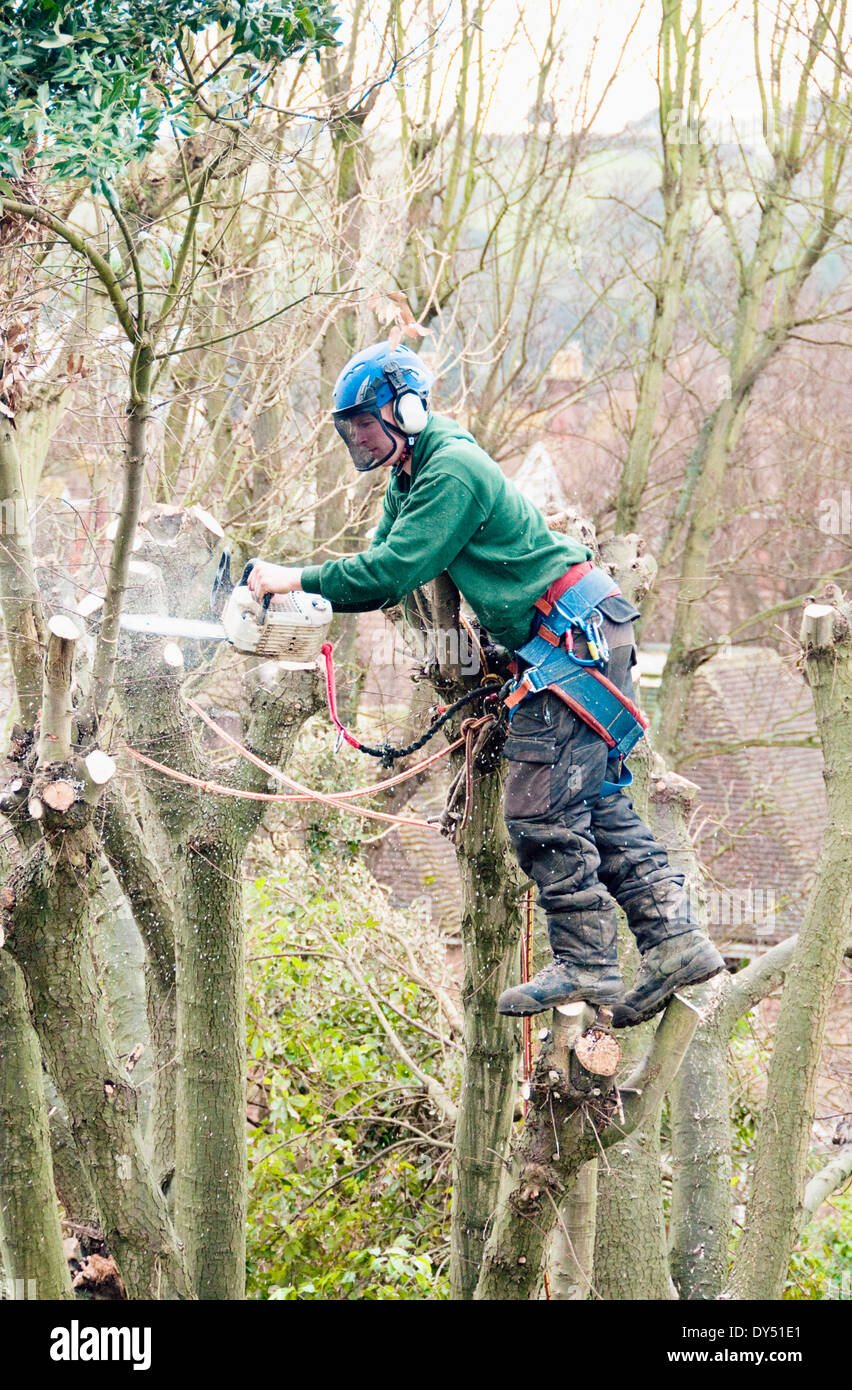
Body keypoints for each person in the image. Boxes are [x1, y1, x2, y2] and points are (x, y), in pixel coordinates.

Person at [247, 341, 725, 1025]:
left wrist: (293, 576)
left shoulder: (454, 469)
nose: (360, 439)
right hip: (578, 634)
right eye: (350, 428)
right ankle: (675, 941)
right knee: (599, 806)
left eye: (366, 423)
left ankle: (587, 961)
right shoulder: (412, 477)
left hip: (574, 635)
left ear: (407, 410)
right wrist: (308, 602)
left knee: (537, 808)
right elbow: (382, 564)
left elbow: (394, 571)